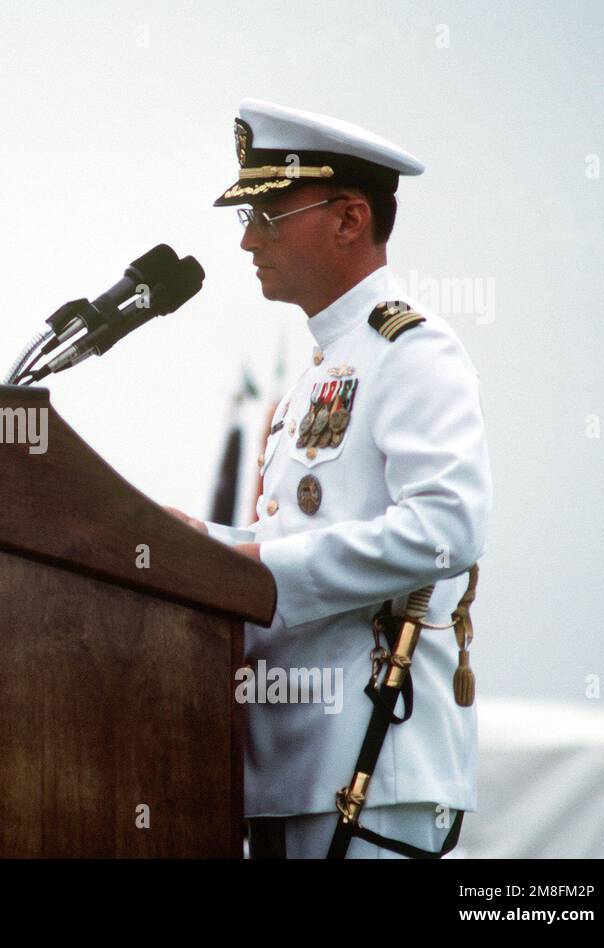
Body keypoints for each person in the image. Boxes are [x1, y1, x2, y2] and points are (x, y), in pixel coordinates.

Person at [166, 99, 491, 858]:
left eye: (268, 216)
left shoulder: (412, 352)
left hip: (378, 764)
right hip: (291, 772)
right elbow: (293, 539)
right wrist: (198, 544)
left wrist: (253, 567)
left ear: (349, 218)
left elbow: (446, 530)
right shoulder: (317, 376)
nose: (247, 239)